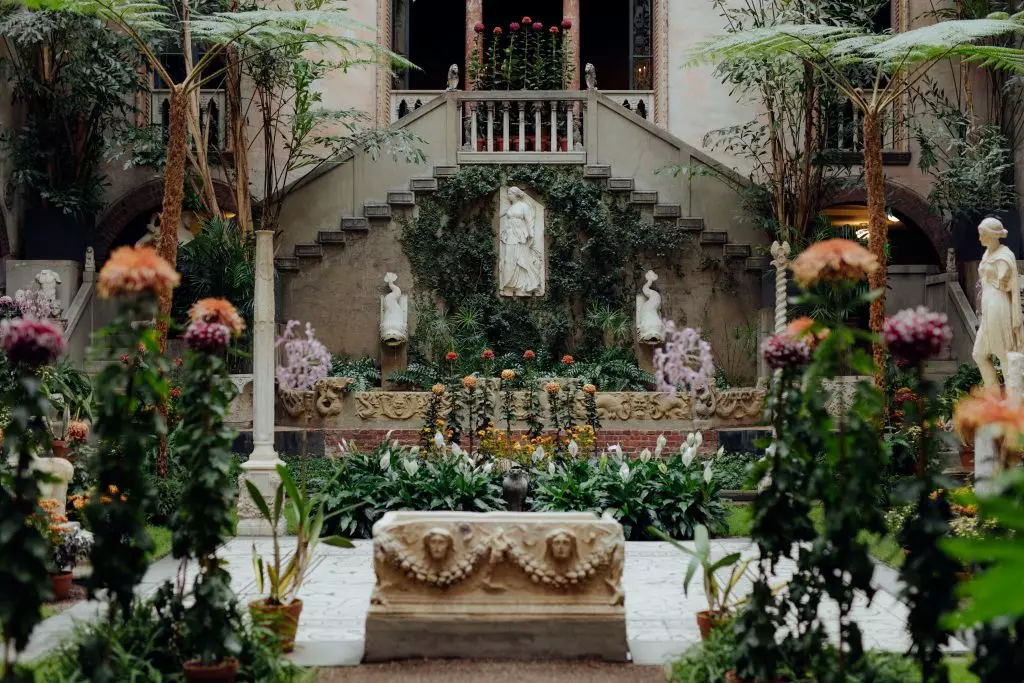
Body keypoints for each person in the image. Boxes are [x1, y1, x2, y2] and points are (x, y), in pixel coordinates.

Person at [973, 217, 1023, 388]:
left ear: (993, 236)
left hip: (998, 306)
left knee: (1004, 355)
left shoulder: (1004, 256)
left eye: (983, 235)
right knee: (979, 354)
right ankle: (993, 396)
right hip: (988, 306)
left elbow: (1003, 279)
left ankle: (1013, 401)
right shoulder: (987, 254)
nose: (980, 238)